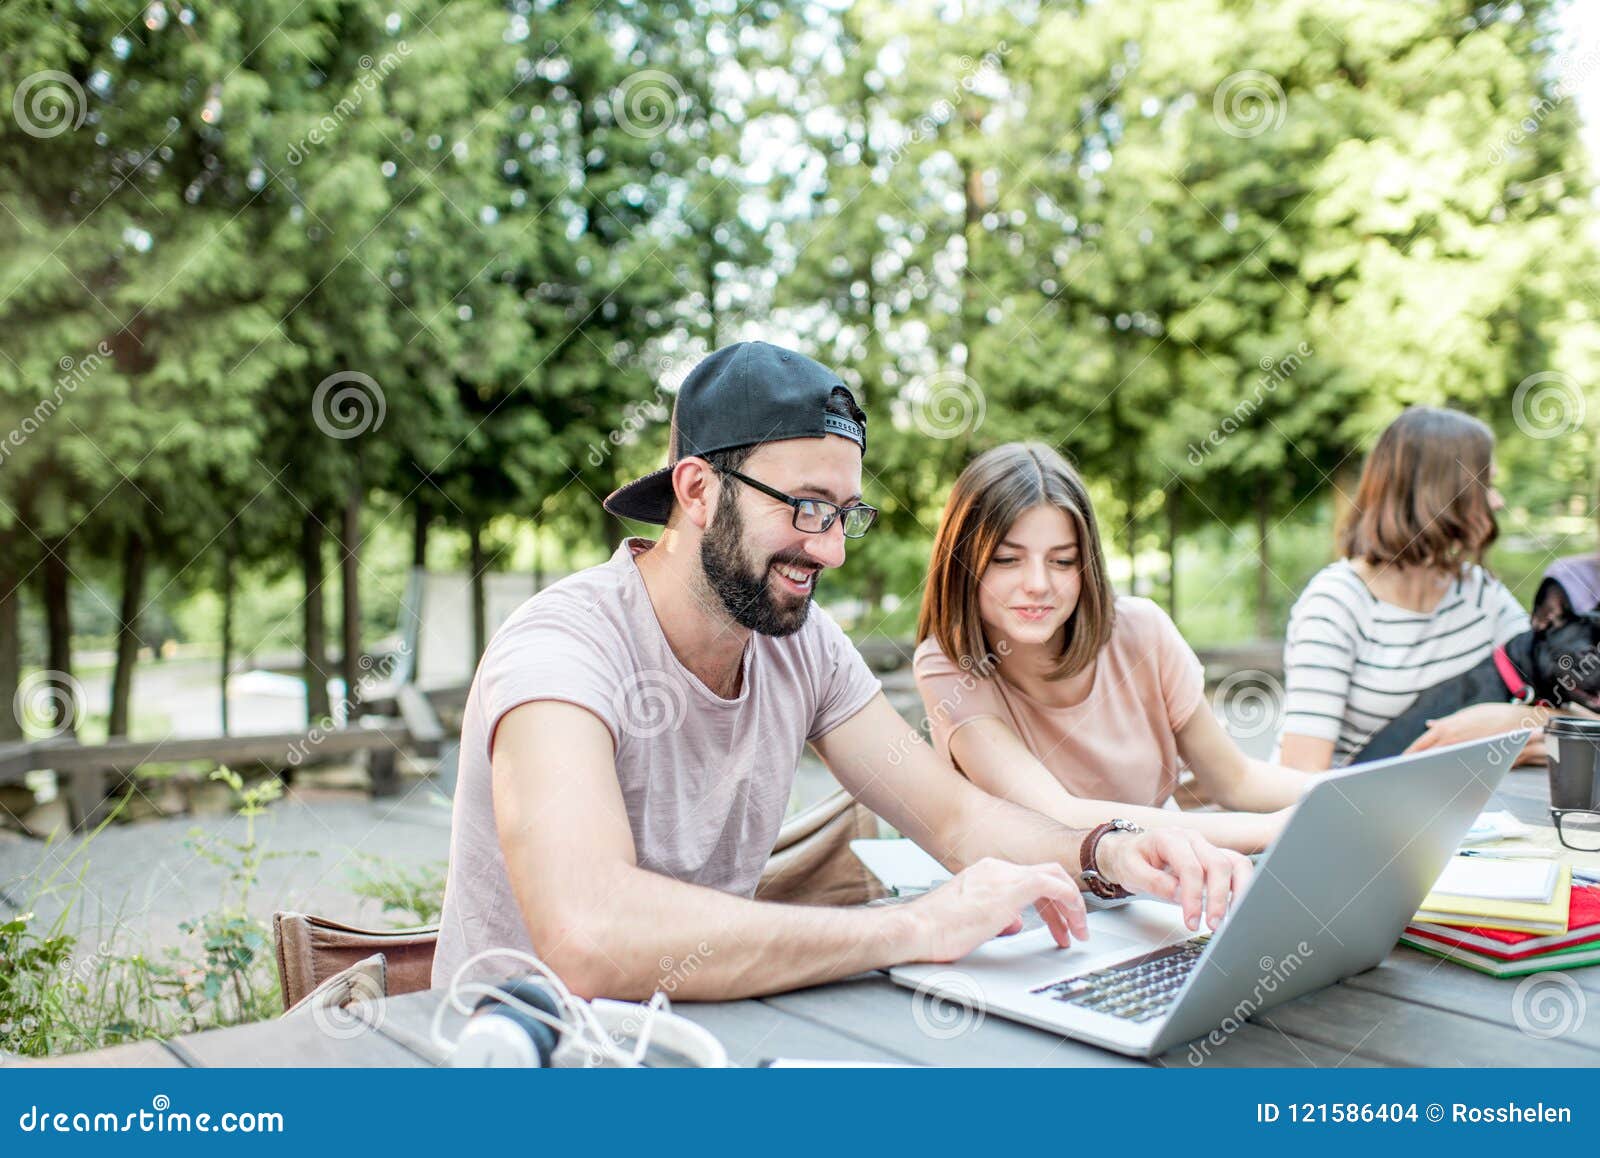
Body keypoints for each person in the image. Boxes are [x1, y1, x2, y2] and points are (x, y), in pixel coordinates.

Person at [432, 342, 1251, 999]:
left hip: (695, 1044)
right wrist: (916, 926)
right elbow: (590, 938)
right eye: (807, 507)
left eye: (845, 515)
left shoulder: (802, 642)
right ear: (697, 489)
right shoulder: (561, 651)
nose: (829, 548)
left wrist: (1112, 849)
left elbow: (956, 820)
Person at [912, 442, 1314, 856]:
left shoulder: (1141, 629)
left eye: (1063, 562)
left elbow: (1235, 780)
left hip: (1158, 883)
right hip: (1035, 899)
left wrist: (1344, 792)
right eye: (1007, 559)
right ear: (961, 562)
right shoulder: (946, 664)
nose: (1038, 584)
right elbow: (1059, 815)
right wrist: (1267, 832)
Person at [1277, 406, 1541, 770]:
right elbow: (1299, 775)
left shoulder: (1480, 593)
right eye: (1485, 485)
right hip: (1349, 814)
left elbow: (1570, 707)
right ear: (1438, 494)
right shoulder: (1337, 602)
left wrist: (1511, 721)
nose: (1497, 501)